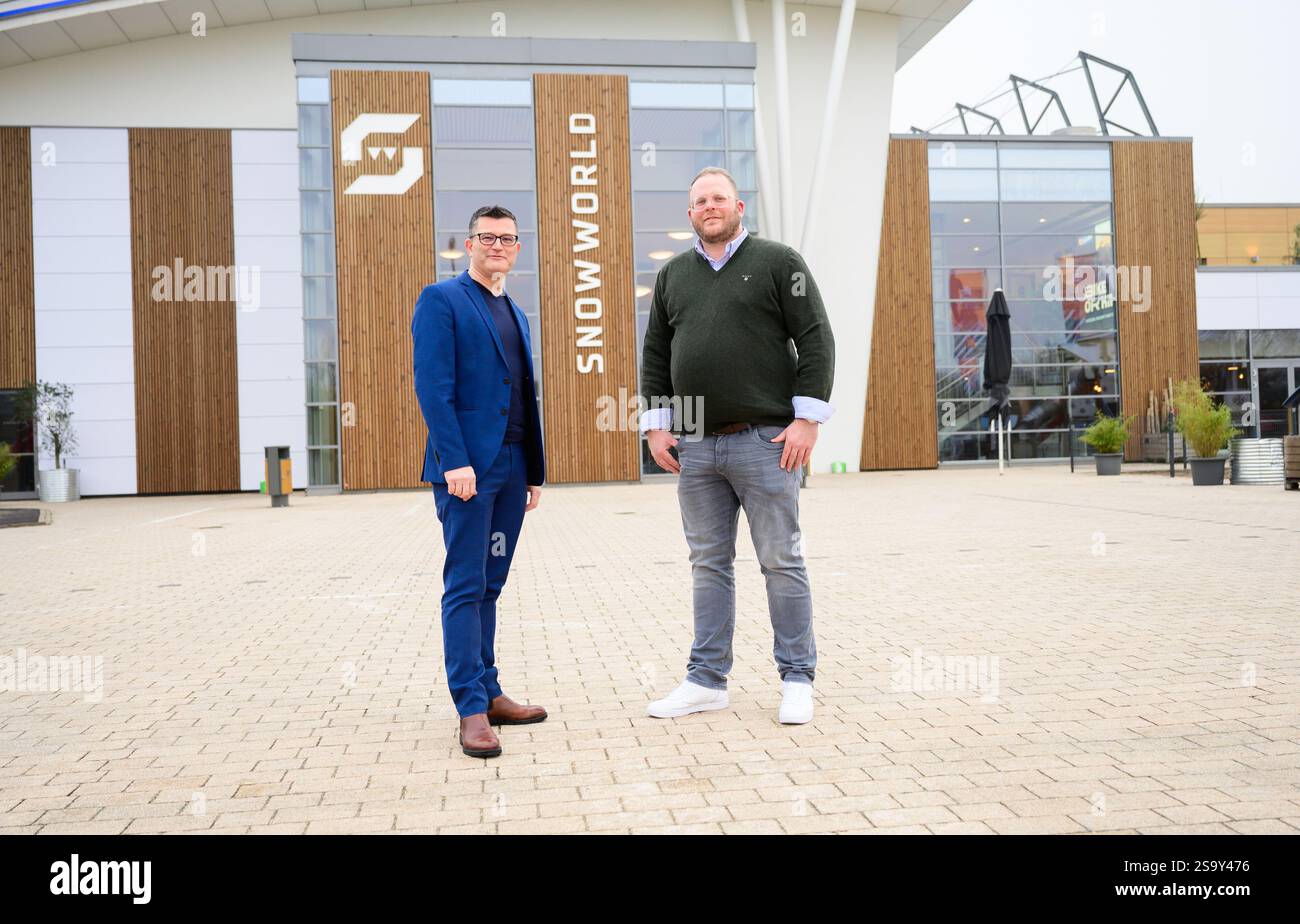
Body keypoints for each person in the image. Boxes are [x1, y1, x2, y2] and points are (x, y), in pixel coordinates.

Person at [639, 167, 835, 725]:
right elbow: (656, 351)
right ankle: (706, 680)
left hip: (766, 441)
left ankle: (797, 677)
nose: (709, 206)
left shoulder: (779, 262)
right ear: (690, 214)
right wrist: (656, 425)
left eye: (718, 198)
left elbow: (816, 336)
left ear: (739, 206)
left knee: (781, 560)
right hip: (696, 447)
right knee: (708, 565)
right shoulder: (674, 275)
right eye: (699, 200)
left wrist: (807, 420)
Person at [411, 205, 547, 758]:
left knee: (492, 583)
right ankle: (469, 706)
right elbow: (433, 387)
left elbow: (522, 397)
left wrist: (534, 471)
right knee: (465, 585)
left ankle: (490, 690)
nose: (498, 245)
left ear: (517, 248)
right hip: (468, 469)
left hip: (514, 465)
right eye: (487, 237)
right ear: (468, 245)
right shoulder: (441, 300)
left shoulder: (516, 311)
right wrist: (454, 460)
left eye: (508, 238)